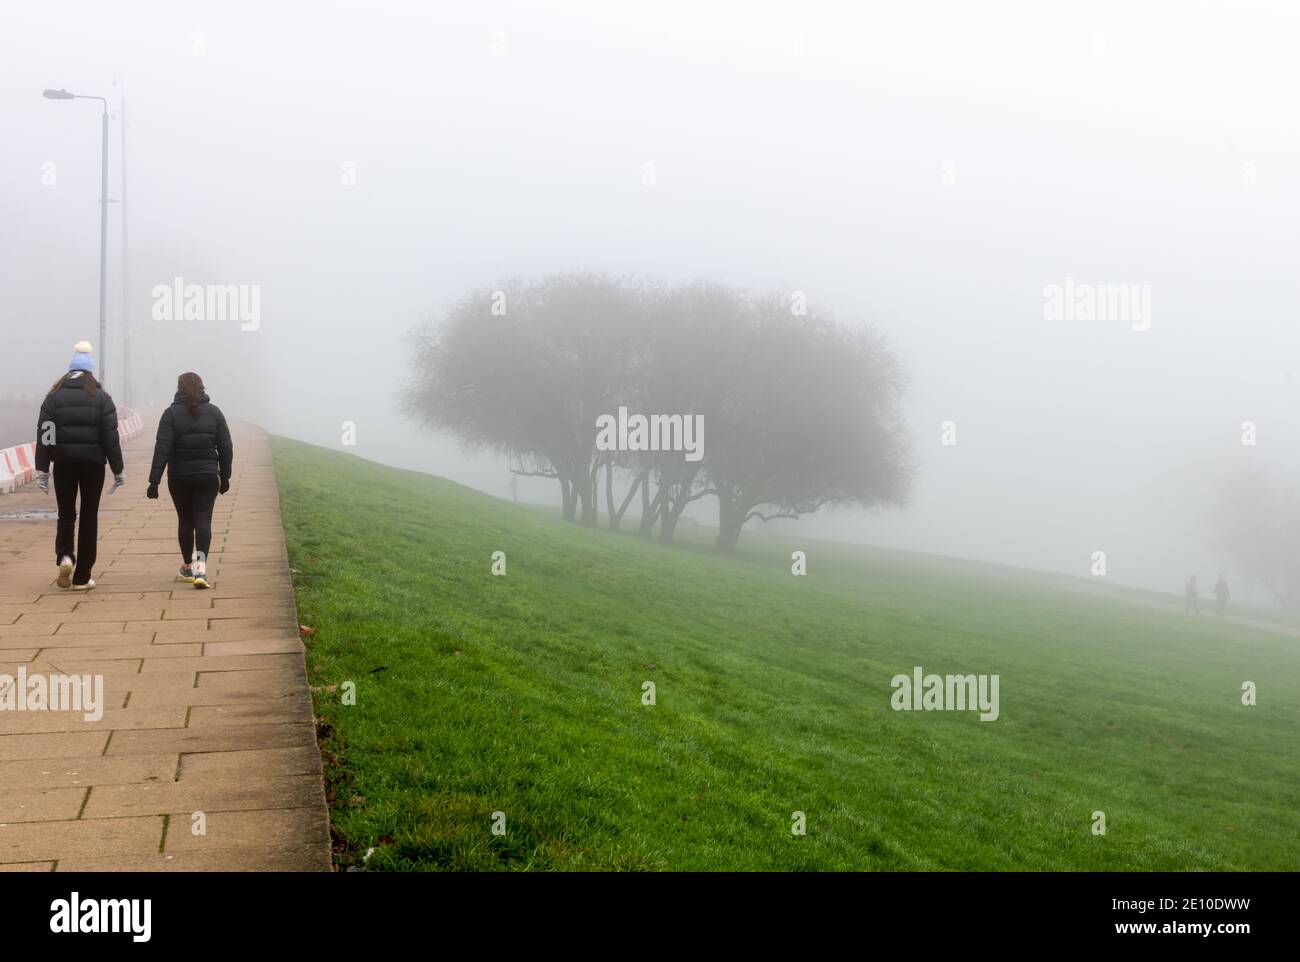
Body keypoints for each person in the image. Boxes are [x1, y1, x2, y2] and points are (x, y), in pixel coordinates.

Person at [32, 341, 126, 591]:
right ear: (90, 372)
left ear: (70, 371)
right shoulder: (102, 398)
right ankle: (83, 576)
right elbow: (110, 437)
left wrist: (42, 468)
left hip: (63, 463)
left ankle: (65, 556)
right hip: (93, 465)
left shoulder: (53, 397)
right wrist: (118, 469)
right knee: (88, 515)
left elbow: (46, 434)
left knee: (66, 513)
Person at [146, 373, 233, 590]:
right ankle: (201, 568)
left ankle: (187, 566)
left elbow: (162, 448)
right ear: (202, 387)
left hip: (179, 476)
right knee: (203, 521)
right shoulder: (214, 413)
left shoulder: (171, 414)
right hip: (207, 476)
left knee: (185, 521)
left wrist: (154, 481)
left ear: (179, 388)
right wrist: (225, 476)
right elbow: (226, 447)